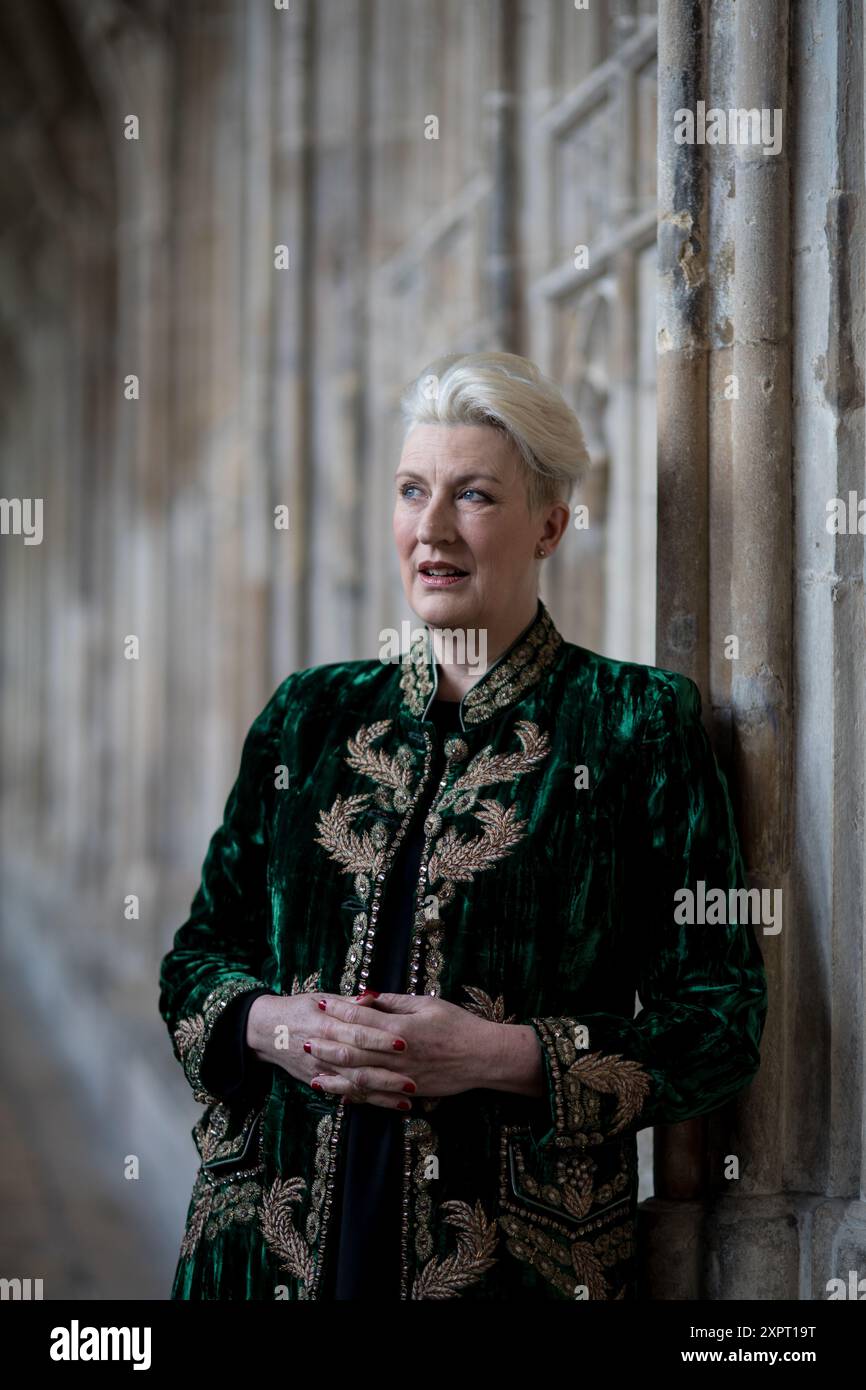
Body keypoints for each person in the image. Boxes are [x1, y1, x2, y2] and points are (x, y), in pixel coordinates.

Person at [158, 350, 768, 1301]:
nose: (431, 529)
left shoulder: (635, 725)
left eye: (473, 496)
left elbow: (720, 1020)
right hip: (265, 1251)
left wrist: (502, 1056)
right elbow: (199, 957)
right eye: (412, 491)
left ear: (551, 527)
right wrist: (269, 1023)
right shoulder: (307, 716)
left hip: (515, 1265)